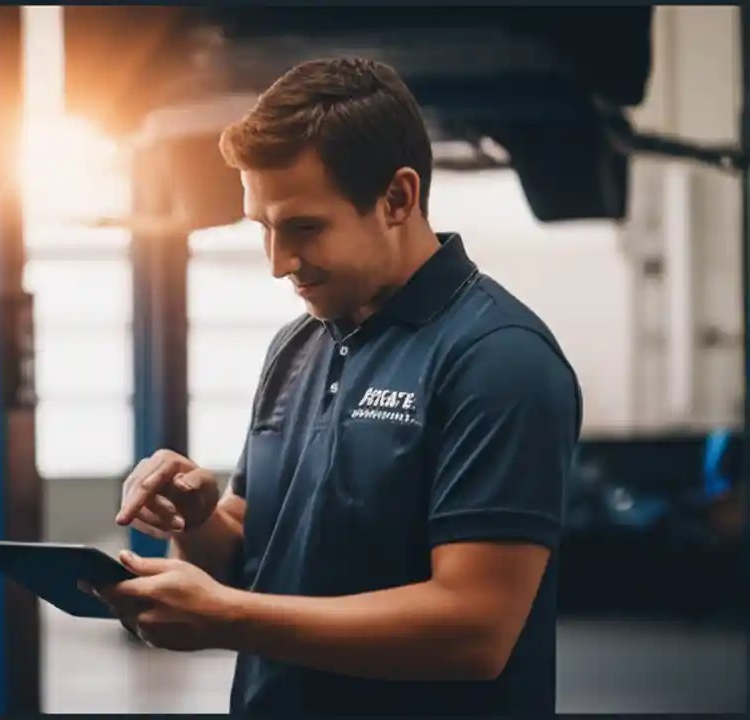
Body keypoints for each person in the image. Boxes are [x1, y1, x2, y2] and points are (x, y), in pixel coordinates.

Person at [100, 57, 582, 715]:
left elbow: (474, 629)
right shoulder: (296, 347)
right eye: (263, 227)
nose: (278, 263)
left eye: (304, 227)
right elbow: (250, 555)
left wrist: (228, 618)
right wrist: (199, 517)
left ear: (397, 199)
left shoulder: (499, 360)